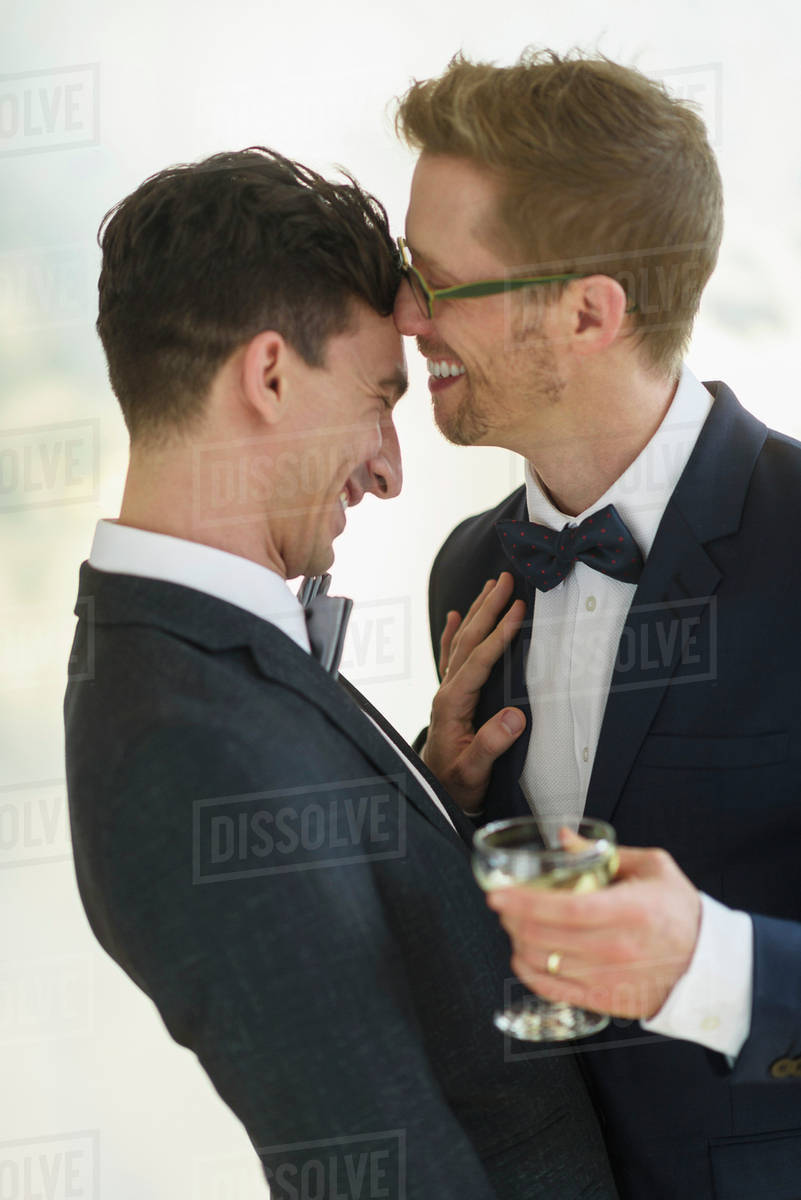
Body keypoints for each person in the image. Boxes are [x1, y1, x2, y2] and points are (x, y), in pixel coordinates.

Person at [64, 147, 618, 1199]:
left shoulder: (189, 652)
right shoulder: (180, 748)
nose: (389, 465)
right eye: (377, 399)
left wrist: (421, 790)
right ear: (269, 375)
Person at [393, 50, 801, 1199]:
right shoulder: (470, 574)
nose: (405, 317)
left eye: (438, 280)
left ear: (588, 311)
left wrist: (715, 965)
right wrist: (452, 809)